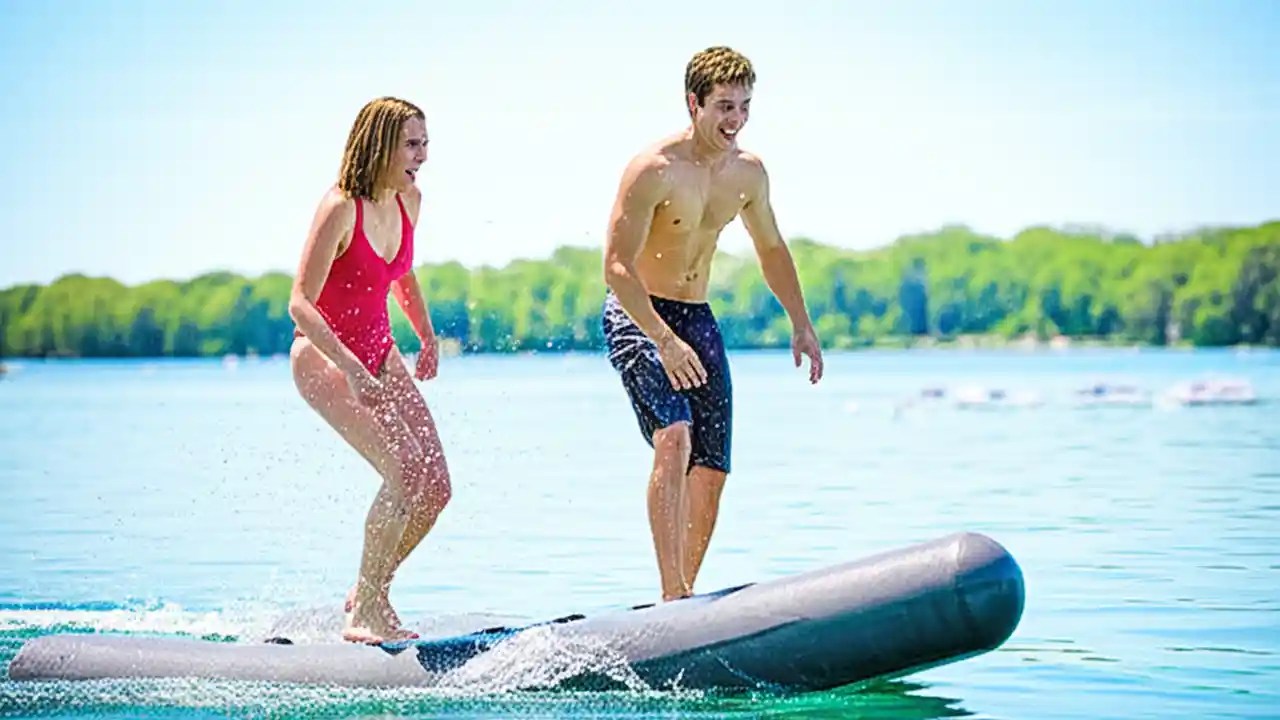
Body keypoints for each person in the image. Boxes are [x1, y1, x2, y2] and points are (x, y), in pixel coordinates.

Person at [601, 46, 824, 602]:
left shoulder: (747, 173)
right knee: (674, 438)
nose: (736, 119)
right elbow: (617, 267)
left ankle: (685, 602)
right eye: (724, 106)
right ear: (693, 103)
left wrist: (801, 322)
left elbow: (771, 248)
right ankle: (672, 594)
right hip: (639, 312)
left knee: (712, 466)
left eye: (745, 106)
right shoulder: (652, 170)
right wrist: (662, 339)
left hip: (696, 316)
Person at [288, 96, 452, 644]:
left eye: (425, 143)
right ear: (380, 144)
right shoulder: (340, 207)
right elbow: (300, 304)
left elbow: (400, 275)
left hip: (381, 353)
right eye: (412, 143)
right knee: (405, 471)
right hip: (324, 358)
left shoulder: (410, 201)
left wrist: (425, 335)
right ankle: (366, 615)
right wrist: (351, 368)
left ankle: (370, 590)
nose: (422, 155)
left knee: (436, 487)